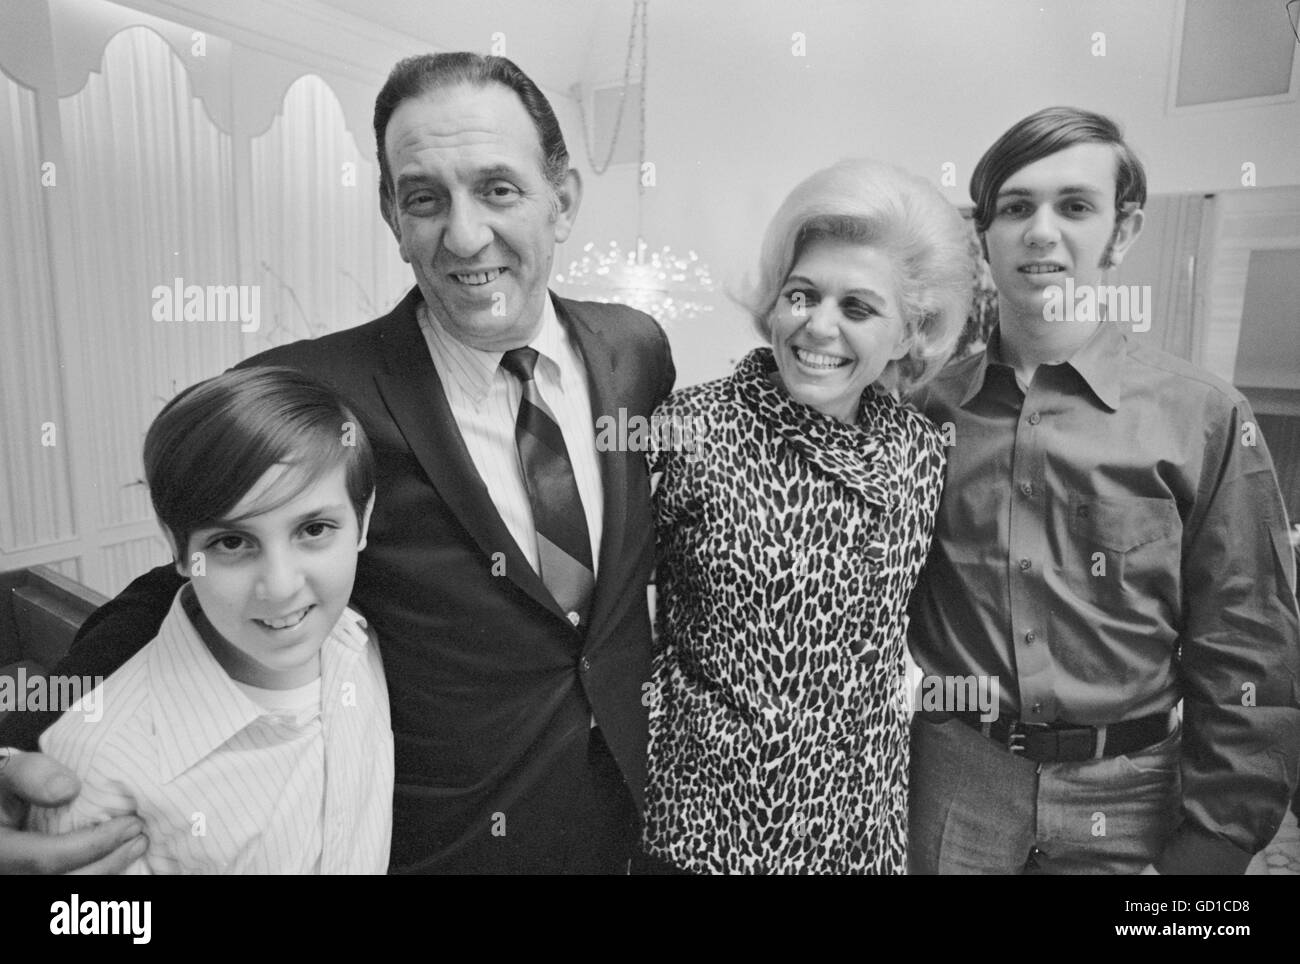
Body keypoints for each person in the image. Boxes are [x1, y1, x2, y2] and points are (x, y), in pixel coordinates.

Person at [0, 52, 675, 875]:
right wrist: (18, 745)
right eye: (424, 197)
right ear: (393, 215)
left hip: (632, 815)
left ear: (562, 201)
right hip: (446, 847)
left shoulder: (635, 352)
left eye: (498, 188)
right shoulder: (317, 393)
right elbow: (172, 589)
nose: (464, 235)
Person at [906, 106, 1300, 875]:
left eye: (1075, 206)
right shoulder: (923, 410)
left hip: (1133, 795)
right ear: (983, 237)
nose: (1041, 231)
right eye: (1016, 207)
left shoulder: (1205, 415)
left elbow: (1249, 642)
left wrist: (1216, 841)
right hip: (955, 781)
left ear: (1121, 233)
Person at [641, 159, 974, 873]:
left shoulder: (919, 448)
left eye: (857, 308)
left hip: (858, 822)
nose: (818, 327)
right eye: (802, 294)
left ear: (910, 331)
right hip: (710, 821)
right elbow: (612, 620)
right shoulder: (692, 429)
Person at [26, 367, 391, 873]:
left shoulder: (362, 643)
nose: (281, 586)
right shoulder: (101, 766)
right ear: (178, 546)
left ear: (363, 520)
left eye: (314, 528)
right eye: (233, 542)